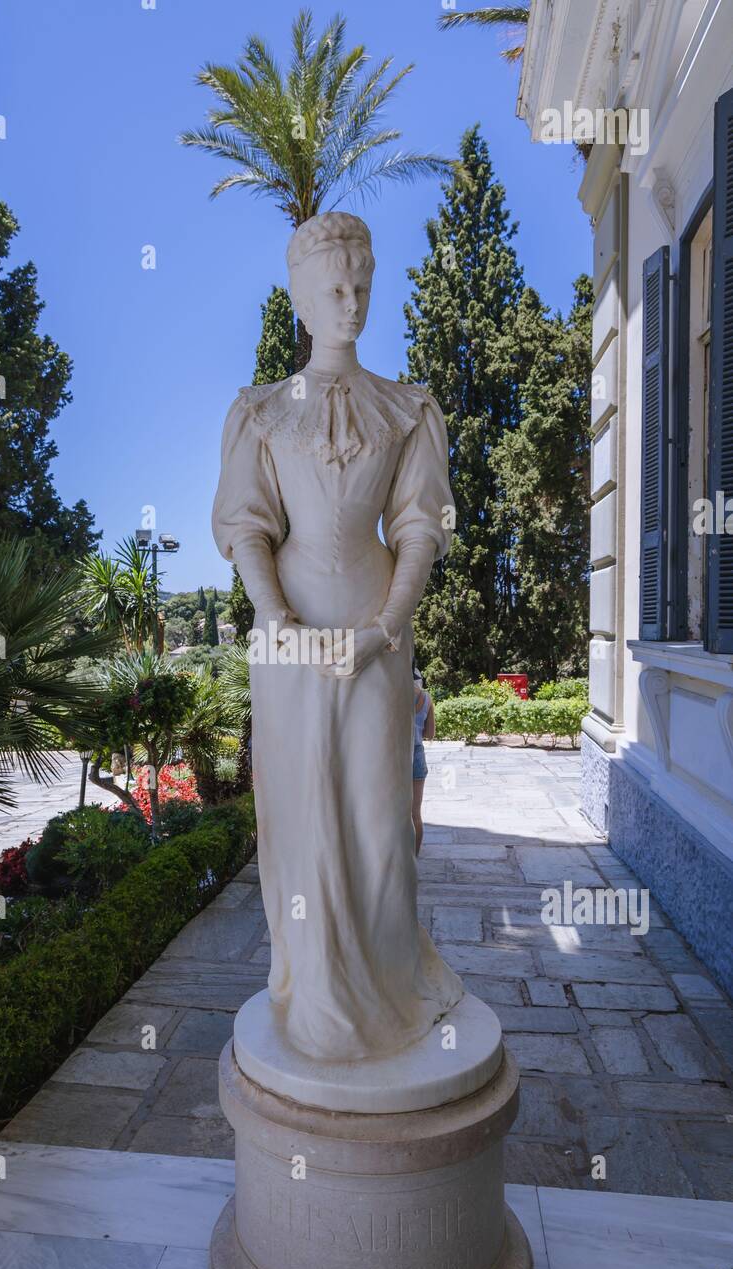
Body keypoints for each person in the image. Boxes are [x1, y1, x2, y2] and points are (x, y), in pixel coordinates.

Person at [212, 211, 463, 1062]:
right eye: (333, 287)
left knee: (378, 821)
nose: (351, 300)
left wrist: (387, 630)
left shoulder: (409, 409)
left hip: (376, 636)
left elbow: (420, 528)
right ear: (301, 299)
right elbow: (247, 525)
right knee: (302, 821)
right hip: (284, 647)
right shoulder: (256, 414)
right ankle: (313, 997)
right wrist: (277, 621)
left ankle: (390, 985)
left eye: (361, 284)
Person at [412, 668, 434, 854]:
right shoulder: (427, 699)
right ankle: (415, 855)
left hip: (396, 757)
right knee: (415, 813)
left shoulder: (395, 697)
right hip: (417, 756)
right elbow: (430, 733)